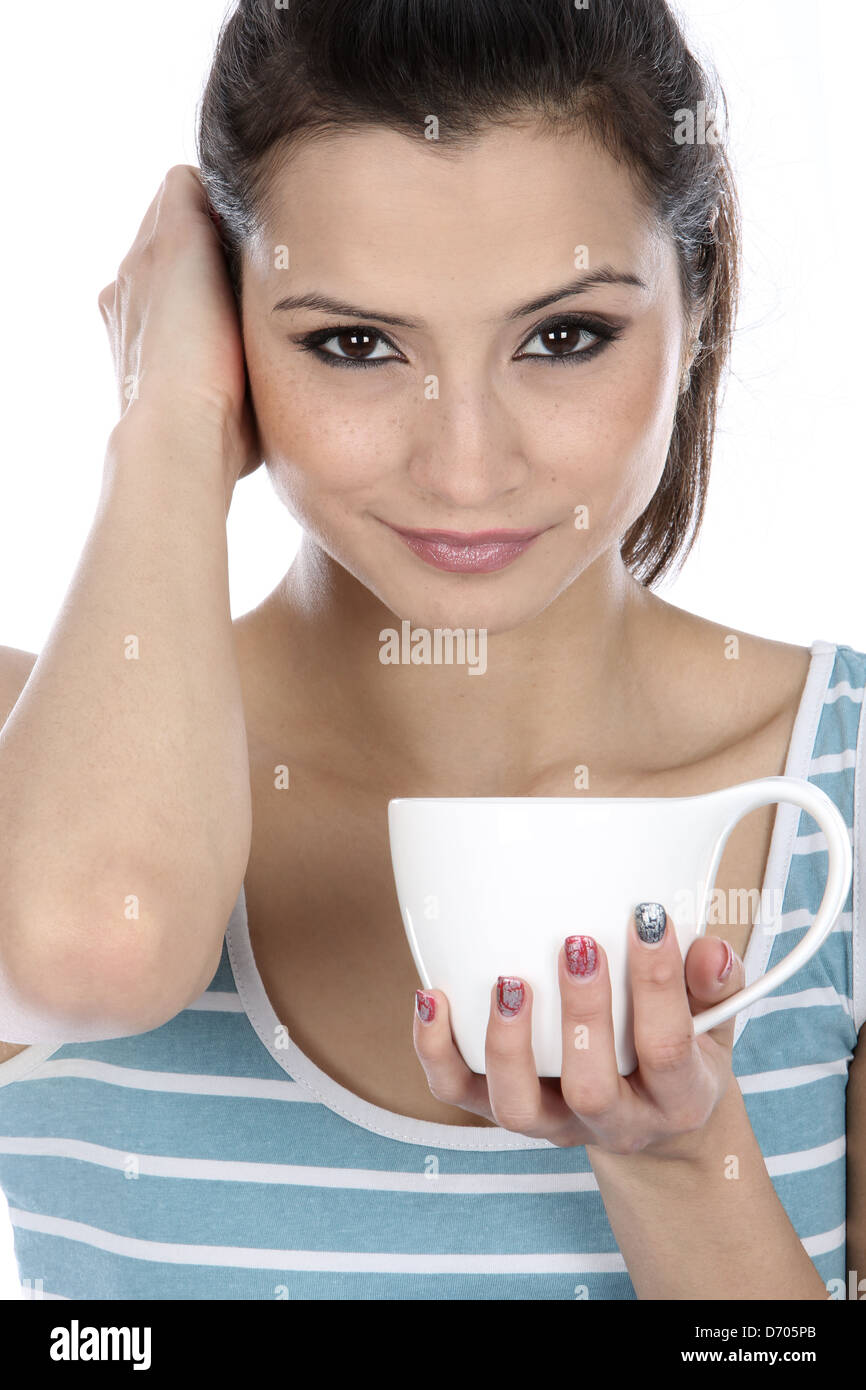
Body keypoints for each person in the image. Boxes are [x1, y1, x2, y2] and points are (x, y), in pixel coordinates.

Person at [0, 0, 862, 1301]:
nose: (466, 466)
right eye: (350, 343)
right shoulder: (36, 758)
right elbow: (93, 949)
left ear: (696, 306)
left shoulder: (837, 784)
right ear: (233, 330)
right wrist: (166, 423)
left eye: (563, 336)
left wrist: (679, 1165)